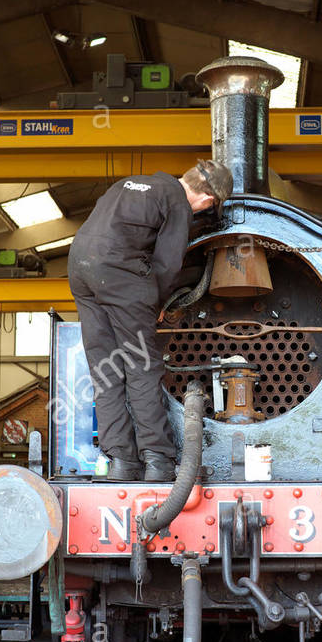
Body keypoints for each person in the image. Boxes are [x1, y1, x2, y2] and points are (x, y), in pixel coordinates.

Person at [68, 160, 233, 482]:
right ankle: (157, 461)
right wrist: (156, 302)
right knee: (141, 368)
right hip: (120, 275)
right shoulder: (177, 203)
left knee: (106, 371)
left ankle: (120, 462)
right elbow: (168, 263)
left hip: (81, 270)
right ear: (208, 200)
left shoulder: (130, 183)